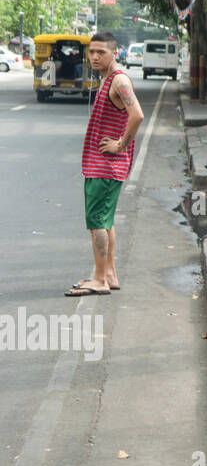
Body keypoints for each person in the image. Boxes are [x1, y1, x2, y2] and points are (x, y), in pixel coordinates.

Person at [68, 33, 145, 296]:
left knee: (97, 223)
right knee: (106, 221)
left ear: (114, 52)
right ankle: (109, 274)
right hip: (103, 165)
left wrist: (120, 144)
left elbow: (138, 115)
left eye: (101, 52)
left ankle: (99, 280)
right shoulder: (107, 79)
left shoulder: (119, 80)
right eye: (91, 52)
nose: (95, 57)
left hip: (105, 165)